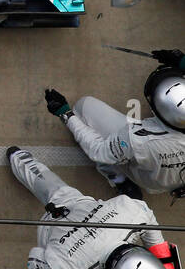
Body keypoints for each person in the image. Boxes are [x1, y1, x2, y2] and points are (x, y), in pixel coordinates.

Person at [8, 146, 180, 269]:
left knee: (40, 176)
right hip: (48, 231)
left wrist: (165, 266)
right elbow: (33, 261)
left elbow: (155, 238)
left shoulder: (135, 211)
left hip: (70, 202)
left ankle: (17, 156)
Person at [46, 54, 185, 197]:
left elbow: (98, 151)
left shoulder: (138, 139)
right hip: (178, 178)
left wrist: (66, 113)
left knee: (84, 105)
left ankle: (120, 181)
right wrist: (182, 61)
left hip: (151, 180)